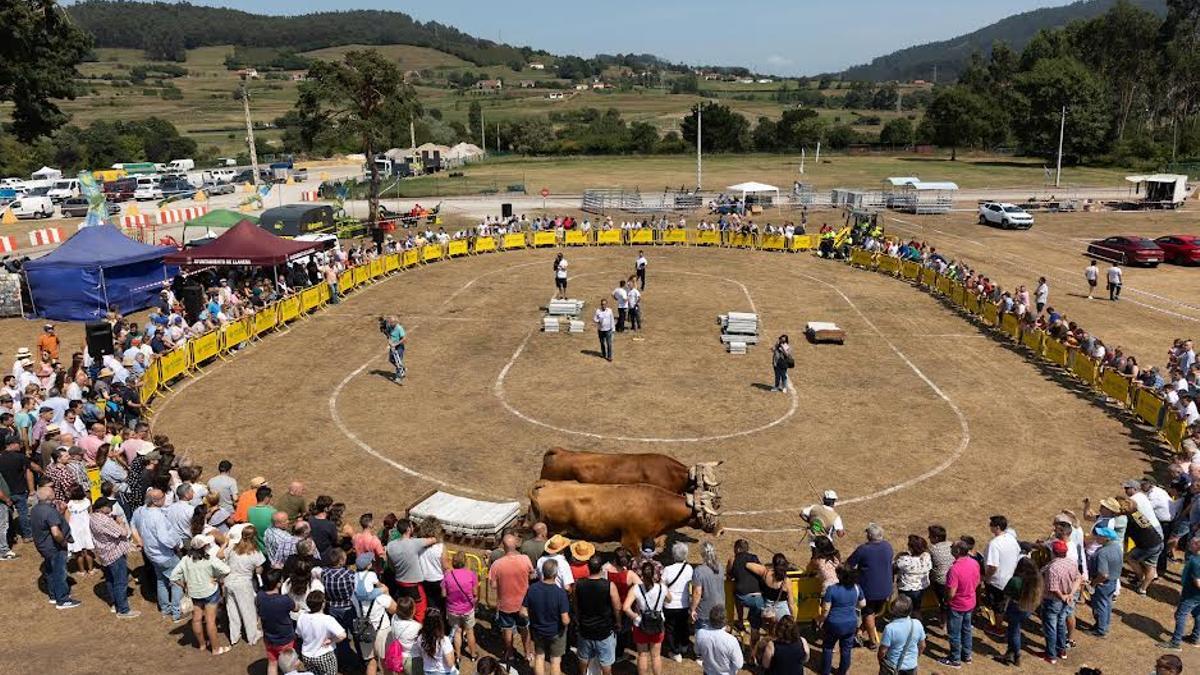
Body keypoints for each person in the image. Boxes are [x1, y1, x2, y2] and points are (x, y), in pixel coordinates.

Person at [132, 487, 184, 620]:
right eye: (162, 497)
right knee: (177, 582)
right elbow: (164, 538)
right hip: (165, 555)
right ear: (155, 501)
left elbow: (134, 527)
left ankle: (165, 609)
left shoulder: (142, 512)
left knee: (161, 581)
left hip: (152, 554)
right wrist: (177, 545)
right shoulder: (158, 516)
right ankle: (177, 612)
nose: (165, 498)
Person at [88, 495, 139, 618]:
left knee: (111, 580)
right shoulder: (105, 521)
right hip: (114, 553)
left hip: (104, 553)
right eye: (109, 506)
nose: (111, 508)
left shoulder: (93, 517)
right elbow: (123, 533)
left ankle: (115, 604)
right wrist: (121, 523)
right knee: (121, 582)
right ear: (102, 508)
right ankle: (123, 610)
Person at [489, 532, 534, 667]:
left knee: (507, 630)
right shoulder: (525, 559)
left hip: (505, 604)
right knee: (525, 628)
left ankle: (510, 653)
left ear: (503, 547)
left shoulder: (497, 564)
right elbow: (532, 575)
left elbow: (493, 586)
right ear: (516, 545)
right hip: (523, 604)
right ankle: (527, 653)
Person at [846, 523, 893, 649]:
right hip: (886, 588)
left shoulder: (863, 549)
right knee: (872, 612)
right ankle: (860, 632)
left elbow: (849, 565)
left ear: (869, 536)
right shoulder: (888, 546)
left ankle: (872, 641)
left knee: (868, 613)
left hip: (869, 590)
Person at [31, 485, 78, 608]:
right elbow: (56, 533)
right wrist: (63, 543)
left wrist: (60, 512)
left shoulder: (35, 509)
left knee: (50, 571)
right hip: (54, 547)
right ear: (48, 496)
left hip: (43, 546)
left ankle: (53, 595)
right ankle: (62, 599)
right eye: (52, 491)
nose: (54, 492)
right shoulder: (50, 511)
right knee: (59, 572)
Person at [575, 554, 621, 675]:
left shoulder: (579, 584)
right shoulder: (609, 585)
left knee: (583, 659)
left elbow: (576, 605)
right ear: (601, 569)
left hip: (585, 629)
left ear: (588, 568)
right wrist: (618, 622)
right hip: (604, 631)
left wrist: (578, 620)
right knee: (606, 663)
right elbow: (617, 607)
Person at [525, 559, 571, 675]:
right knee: (555, 660)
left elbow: (522, 612)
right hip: (556, 632)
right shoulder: (560, 593)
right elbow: (565, 620)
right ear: (556, 574)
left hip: (538, 630)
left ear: (542, 572)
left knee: (539, 657)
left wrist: (533, 617)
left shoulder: (532, 589)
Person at [938, 540, 980, 668]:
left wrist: (946, 601)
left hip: (957, 605)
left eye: (952, 547)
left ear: (957, 551)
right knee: (966, 630)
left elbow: (951, 592)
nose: (950, 548)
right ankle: (967, 655)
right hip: (970, 602)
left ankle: (955, 659)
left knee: (954, 633)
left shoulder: (954, 569)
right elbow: (977, 581)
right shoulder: (974, 563)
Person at [624, 560, 669, 675]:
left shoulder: (636, 589)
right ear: (654, 574)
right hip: (658, 624)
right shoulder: (662, 588)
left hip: (640, 625)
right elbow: (669, 599)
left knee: (642, 655)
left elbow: (626, 608)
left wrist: (636, 618)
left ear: (641, 575)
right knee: (656, 656)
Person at [1039, 539, 1080, 664]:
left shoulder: (1053, 567)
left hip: (1053, 601)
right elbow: (1078, 578)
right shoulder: (1072, 563)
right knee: (1061, 625)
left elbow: (1053, 588)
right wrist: (1070, 594)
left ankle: (1051, 655)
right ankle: (1062, 651)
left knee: (1051, 627)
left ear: (1053, 552)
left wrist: (1062, 596)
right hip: (1066, 600)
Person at [819, 565, 863, 675]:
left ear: (839, 576)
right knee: (846, 649)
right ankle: (842, 672)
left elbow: (826, 609)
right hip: (851, 623)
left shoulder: (832, 589)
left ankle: (825, 671)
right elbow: (863, 604)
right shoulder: (857, 588)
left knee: (828, 647)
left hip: (833, 624)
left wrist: (821, 620)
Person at [226, 524, 266, 646]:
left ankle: (234, 636)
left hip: (229, 581)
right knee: (248, 610)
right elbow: (259, 570)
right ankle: (252, 636)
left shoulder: (233, 548)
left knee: (232, 611)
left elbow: (225, 557)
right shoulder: (255, 552)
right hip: (243, 583)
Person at [998, 556, 1041, 666]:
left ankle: (1016, 655)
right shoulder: (1037, 580)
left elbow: (1006, 593)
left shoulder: (1016, 581)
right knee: (1013, 630)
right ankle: (1010, 653)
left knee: (1014, 632)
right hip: (1028, 608)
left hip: (1016, 608)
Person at [1160, 535, 1200, 650]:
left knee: (1180, 615)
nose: (1189, 544)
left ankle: (1175, 643)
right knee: (1197, 613)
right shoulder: (1194, 558)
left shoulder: (1195, 561)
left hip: (1191, 594)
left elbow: (1198, 582)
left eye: (1192, 543)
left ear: (1198, 545)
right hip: (1196, 595)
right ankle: (1194, 638)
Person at [983, 515, 1020, 633]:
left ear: (997, 527)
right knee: (1004, 602)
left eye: (991, 525)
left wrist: (986, 578)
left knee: (998, 605)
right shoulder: (1010, 538)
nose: (990, 527)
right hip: (1010, 577)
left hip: (997, 581)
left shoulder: (994, 544)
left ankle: (998, 627)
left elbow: (993, 566)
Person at [297, 590, 347, 675]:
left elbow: (299, 634)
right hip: (324, 655)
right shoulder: (327, 619)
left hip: (307, 655)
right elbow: (342, 635)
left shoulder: (302, 616)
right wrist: (332, 640)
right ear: (323, 604)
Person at [442, 550, 479, 662]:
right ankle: (473, 654)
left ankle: (458, 656)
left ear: (453, 562)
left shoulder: (447, 576)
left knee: (457, 631)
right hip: (467, 608)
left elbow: (443, 594)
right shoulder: (471, 574)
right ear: (465, 562)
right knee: (470, 631)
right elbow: (475, 593)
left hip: (452, 609)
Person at [661, 541, 694, 662]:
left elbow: (662, 585)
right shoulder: (689, 568)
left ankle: (675, 651)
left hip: (669, 604)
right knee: (683, 625)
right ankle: (684, 645)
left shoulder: (667, 569)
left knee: (670, 628)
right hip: (684, 603)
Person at [1087, 525, 1122, 638]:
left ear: (1107, 538)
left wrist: (1094, 583)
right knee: (1107, 604)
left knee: (1100, 605)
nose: (1097, 536)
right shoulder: (1117, 547)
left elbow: (1103, 574)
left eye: (1100, 535)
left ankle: (1100, 630)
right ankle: (1104, 626)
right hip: (1113, 581)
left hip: (1102, 583)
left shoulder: (1103, 552)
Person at [877, 595, 925, 675]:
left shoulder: (890, 628)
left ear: (893, 611)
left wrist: (881, 662)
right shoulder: (917, 623)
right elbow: (922, 645)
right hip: (911, 666)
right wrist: (914, 658)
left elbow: (882, 651)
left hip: (893, 667)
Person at [894, 534, 931, 620]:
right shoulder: (926, 556)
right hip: (921, 587)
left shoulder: (905, 560)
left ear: (911, 548)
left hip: (907, 589)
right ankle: (918, 624)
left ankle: (907, 624)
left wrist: (899, 555)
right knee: (917, 609)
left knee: (905, 610)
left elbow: (895, 566)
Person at [690, 541, 725, 631]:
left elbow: (697, 593)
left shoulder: (699, 571)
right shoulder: (720, 567)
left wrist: (692, 609)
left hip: (705, 611)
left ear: (702, 554)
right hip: (720, 607)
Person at [419, 608, 457, 675]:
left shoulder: (420, 637)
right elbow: (450, 663)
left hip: (428, 671)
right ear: (440, 623)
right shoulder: (444, 640)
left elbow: (421, 654)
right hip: (444, 672)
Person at [384, 315, 407, 384]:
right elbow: (388, 334)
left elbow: (404, 339)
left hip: (399, 347)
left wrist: (395, 344)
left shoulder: (399, 328)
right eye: (390, 322)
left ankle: (398, 377)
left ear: (395, 322)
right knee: (391, 360)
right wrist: (389, 341)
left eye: (391, 322)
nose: (390, 324)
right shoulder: (389, 327)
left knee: (398, 361)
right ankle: (402, 368)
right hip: (392, 347)